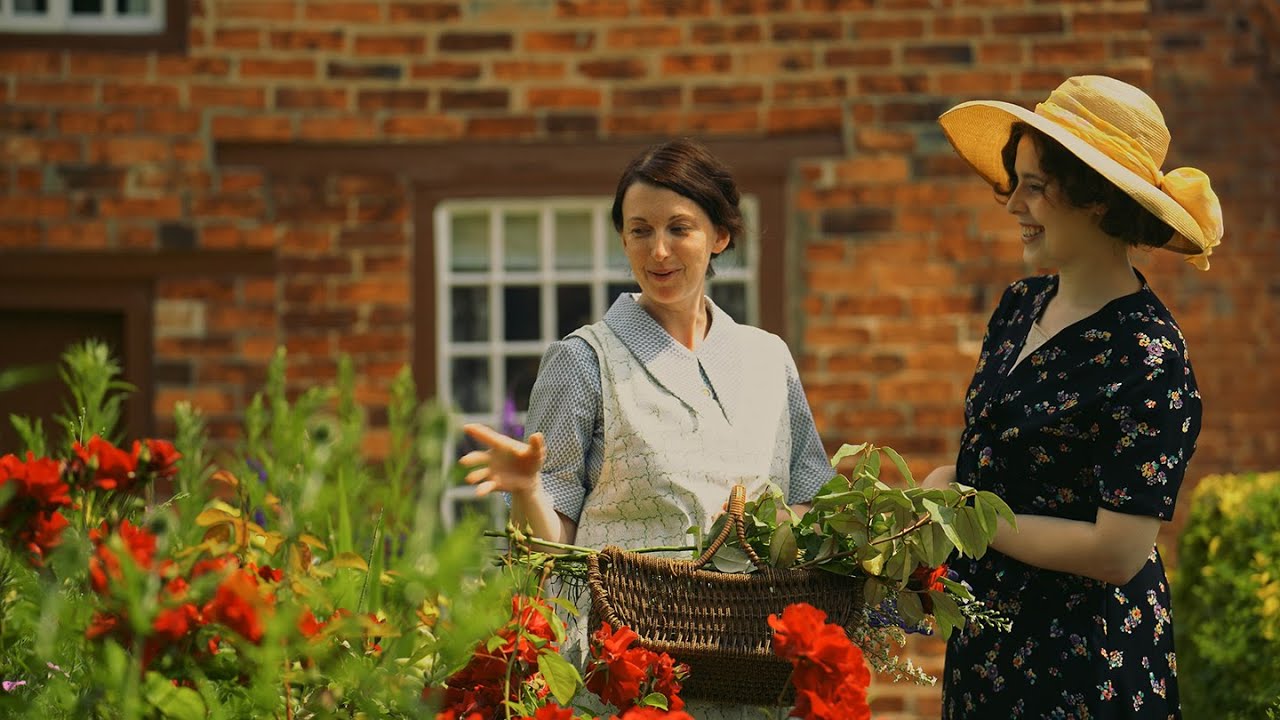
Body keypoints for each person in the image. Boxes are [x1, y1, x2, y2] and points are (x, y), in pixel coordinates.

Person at [459, 138, 832, 718]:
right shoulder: (583, 361)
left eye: (679, 228)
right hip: (631, 681)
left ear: (720, 236)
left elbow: (815, 503)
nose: (658, 250)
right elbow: (552, 554)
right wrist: (529, 489)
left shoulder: (769, 360)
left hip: (755, 677)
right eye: (639, 230)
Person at [926, 75, 1223, 718]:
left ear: (1095, 200)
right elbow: (999, 466)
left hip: (1087, 668)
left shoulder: (1149, 353)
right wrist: (943, 486)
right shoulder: (1020, 305)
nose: (1013, 206)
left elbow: (1118, 552)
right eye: (1017, 183)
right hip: (988, 651)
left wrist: (970, 514)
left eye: (1035, 187)